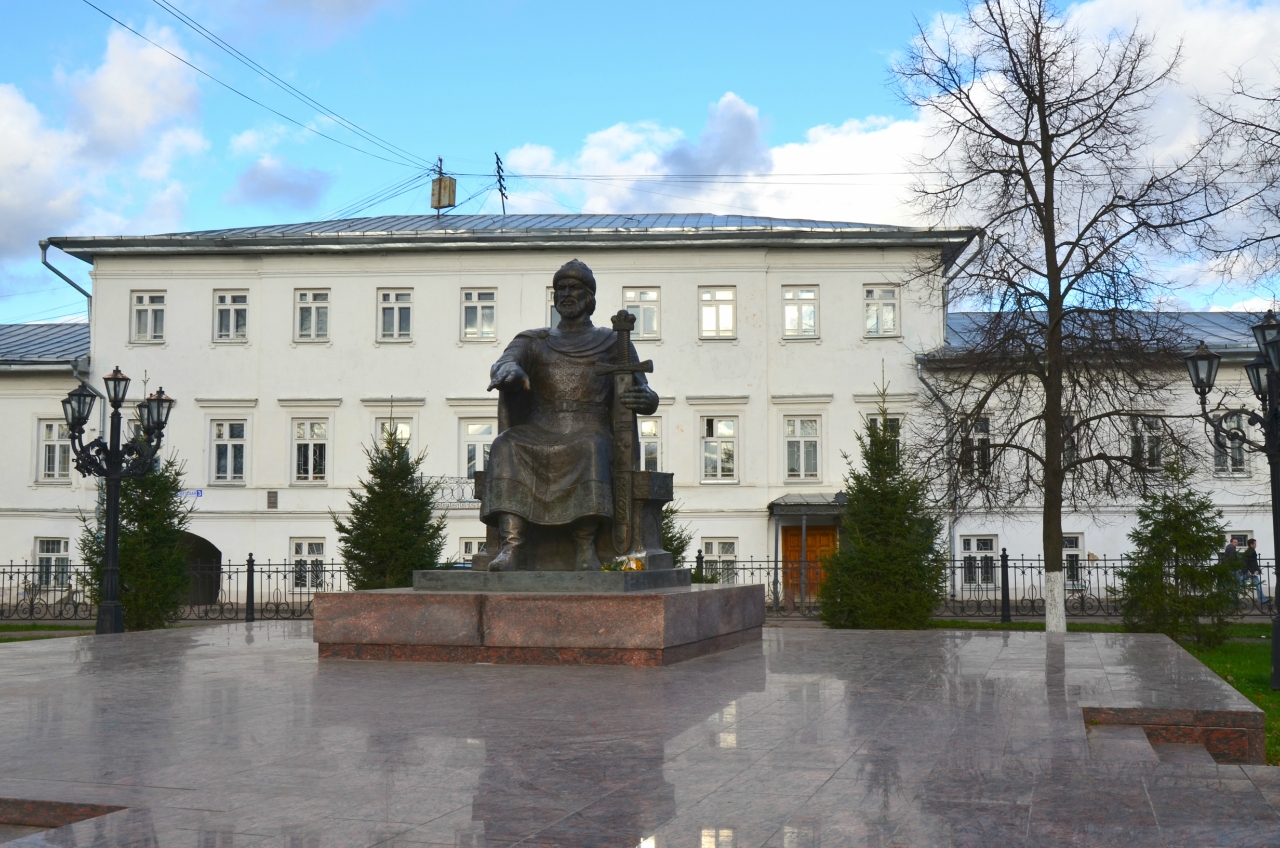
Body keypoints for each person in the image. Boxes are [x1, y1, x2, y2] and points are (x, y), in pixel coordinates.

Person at [482, 259, 658, 571]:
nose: (566, 293)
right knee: (505, 444)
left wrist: (646, 397)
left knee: (591, 446)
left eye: (574, 288)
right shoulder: (534, 340)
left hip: (590, 426)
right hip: (540, 424)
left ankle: (585, 546)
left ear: (590, 298)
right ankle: (511, 547)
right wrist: (510, 369)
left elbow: (642, 388)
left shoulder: (613, 341)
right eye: (560, 288)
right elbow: (505, 361)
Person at [1243, 539, 1270, 606]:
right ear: (1251, 544)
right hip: (1251, 571)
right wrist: (1257, 569)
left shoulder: (1248, 551)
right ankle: (1263, 599)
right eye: (1255, 544)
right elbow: (1253, 562)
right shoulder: (1252, 552)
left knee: (1240, 584)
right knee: (1258, 585)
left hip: (1247, 570)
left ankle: (1233, 598)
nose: (1256, 545)